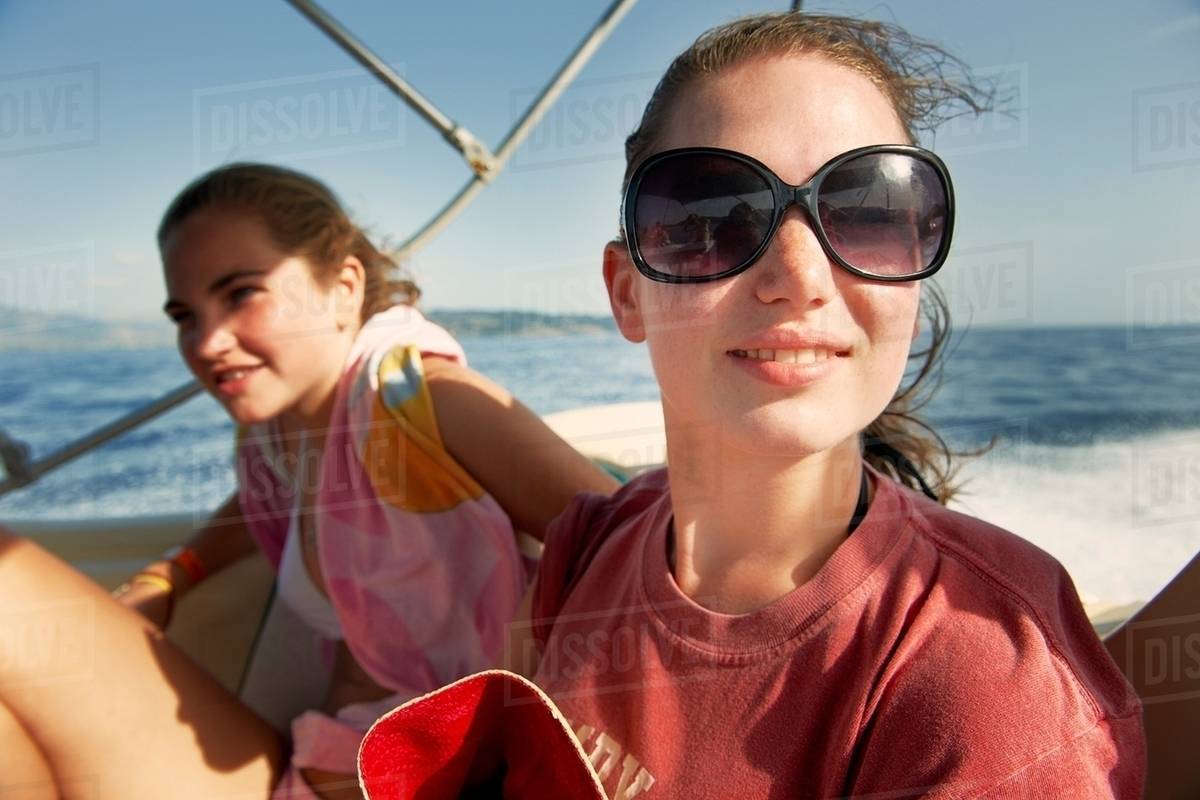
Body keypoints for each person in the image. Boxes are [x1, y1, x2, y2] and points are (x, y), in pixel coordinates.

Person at [500, 13, 1146, 799]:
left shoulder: (984, 676)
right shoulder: (585, 550)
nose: (798, 276)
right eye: (710, 218)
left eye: (869, 215)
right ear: (627, 292)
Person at [0, 163, 617, 799]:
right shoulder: (280, 442)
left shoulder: (422, 403)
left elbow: (630, 537)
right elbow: (266, 500)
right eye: (185, 314)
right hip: (319, 769)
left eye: (241, 293)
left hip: (446, 776)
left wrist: (511, 728)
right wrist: (173, 573)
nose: (206, 343)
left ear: (344, 287)